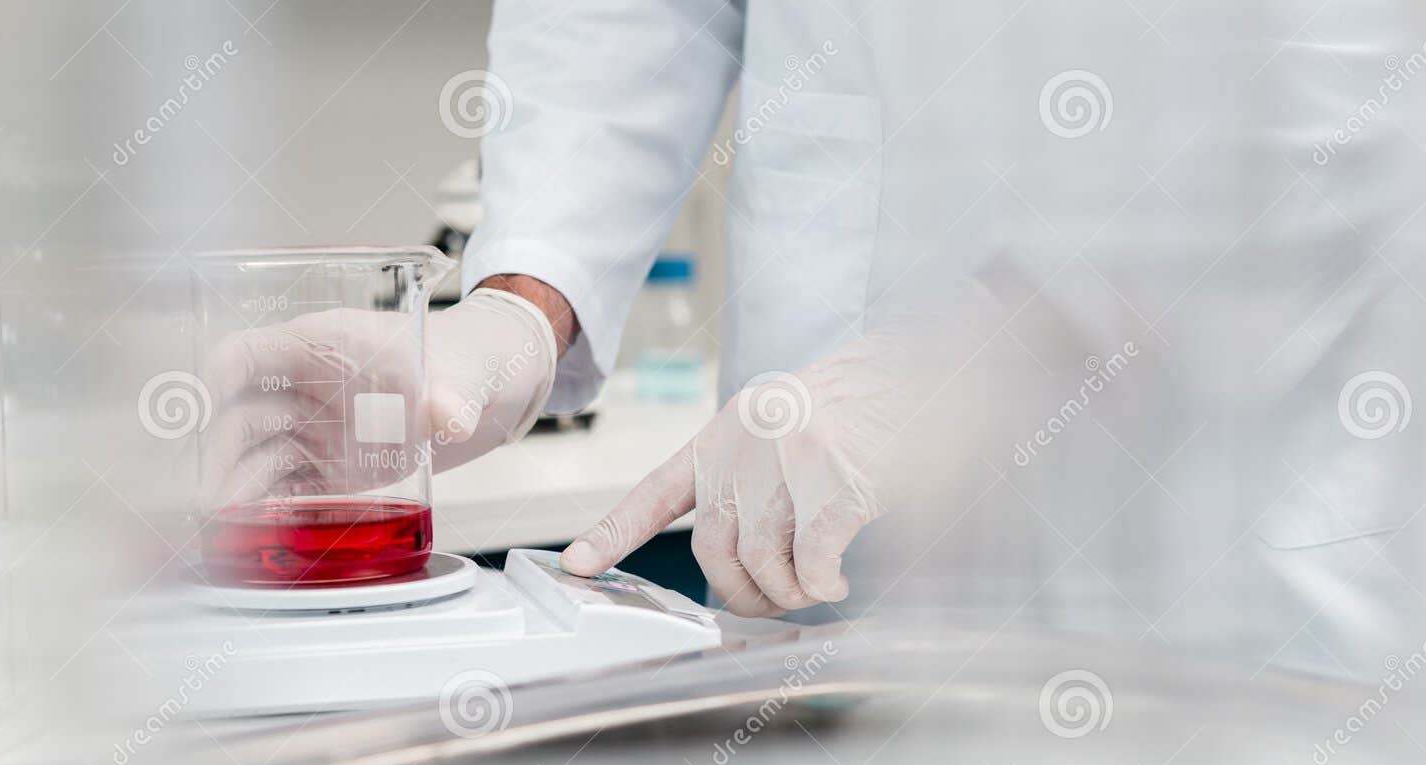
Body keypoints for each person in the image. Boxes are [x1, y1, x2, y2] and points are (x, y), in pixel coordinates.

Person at [211, 2, 1426, 668]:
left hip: (1220, 557)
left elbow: (1338, 74)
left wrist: (980, 354)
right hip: (813, 577)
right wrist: (517, 310)